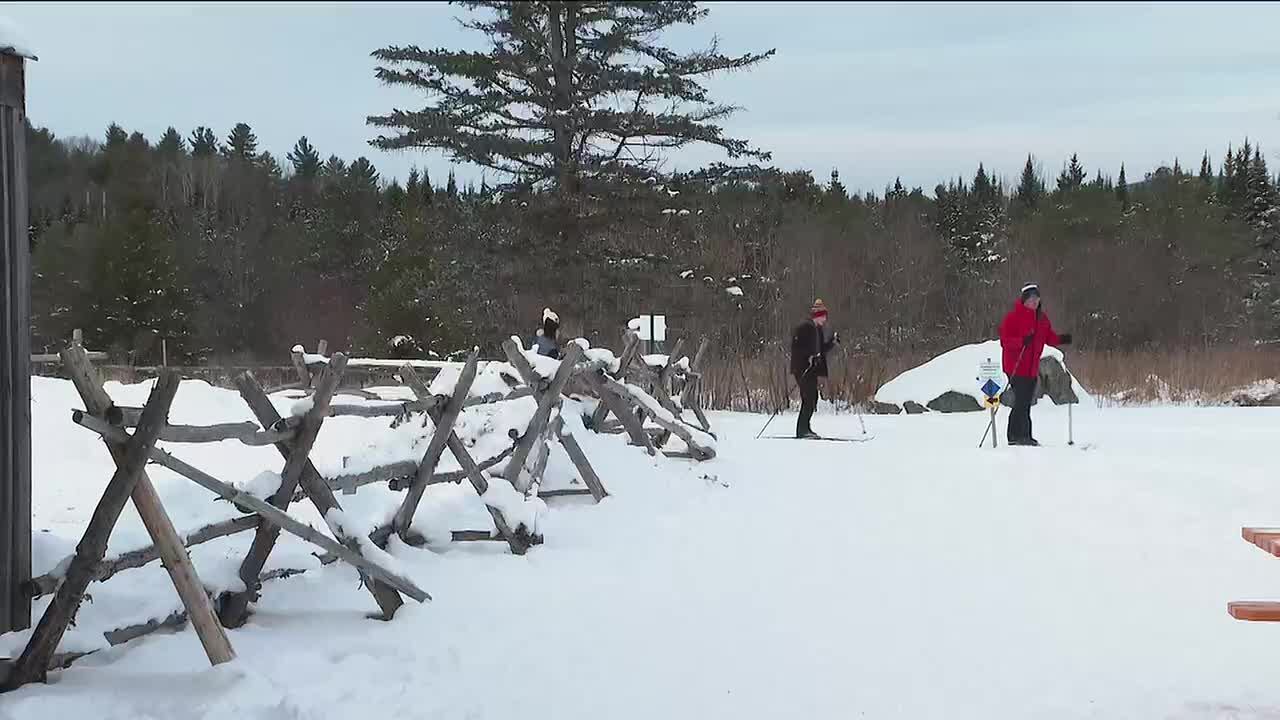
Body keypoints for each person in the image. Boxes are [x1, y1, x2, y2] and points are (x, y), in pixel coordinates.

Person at [998, 283, 1072, 446]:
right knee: (1023, 400)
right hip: (1015, 366)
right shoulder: (1013, 317)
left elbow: (1049, 337)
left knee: (1023, 401)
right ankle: (1022, 436)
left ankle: (1015, 435)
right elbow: (1005, 341)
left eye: (1036, 299)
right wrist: (1022, 341)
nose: (1034, 302)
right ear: (1024, 300)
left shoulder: (1041, 319)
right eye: (1031, 300)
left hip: (1031, 368)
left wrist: (1062, 339)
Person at [790, 298, 838, 439]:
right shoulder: (805, 327)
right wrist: (809, 356)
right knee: (808, 398)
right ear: (817, 316)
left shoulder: (817, 329)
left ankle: (806, 428)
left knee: (812, 398)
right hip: (803, 369)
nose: (825, 320)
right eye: (823, 316)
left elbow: (820, 350)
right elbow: (798, 347)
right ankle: (802, 431)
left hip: (811, 369)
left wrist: (832, 343)